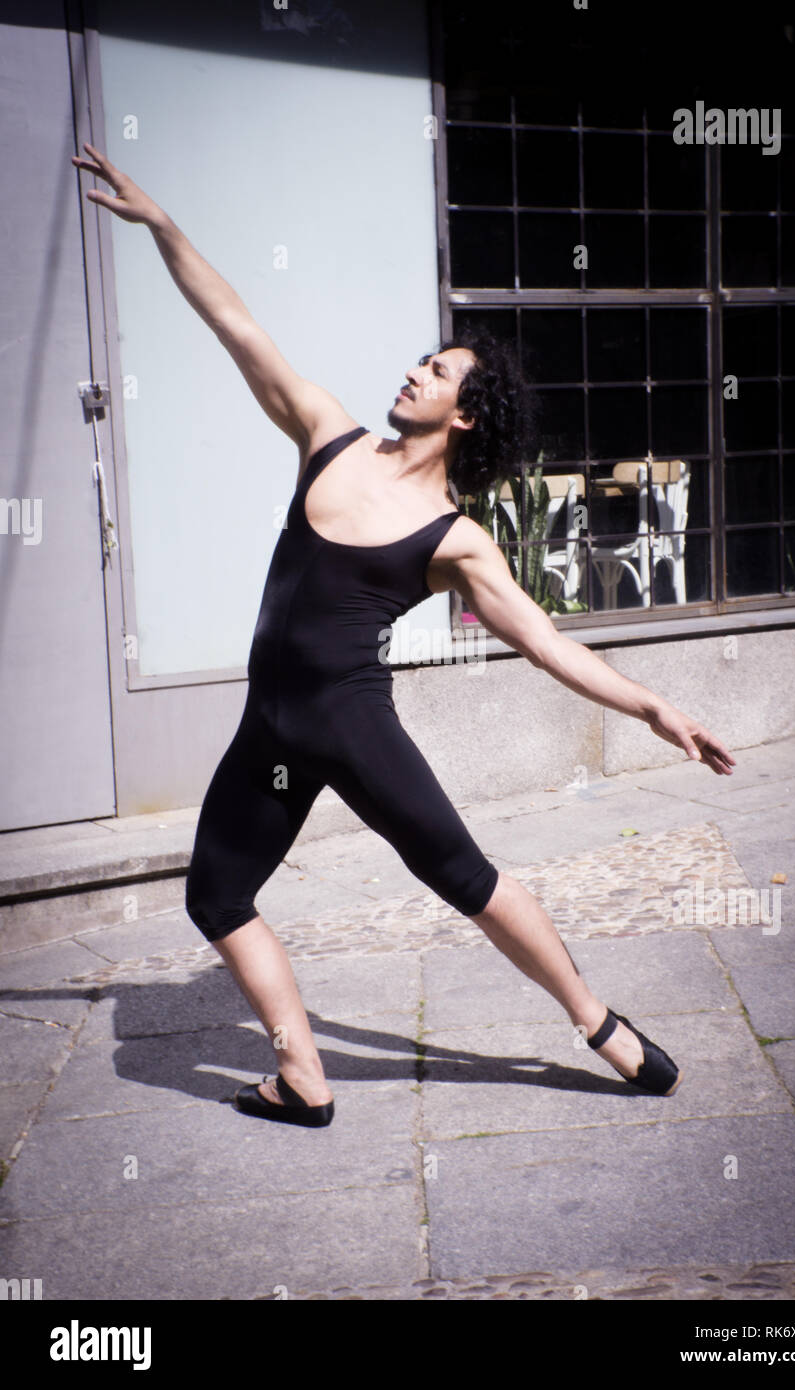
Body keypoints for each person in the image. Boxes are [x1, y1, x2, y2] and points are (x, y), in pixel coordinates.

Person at [72, 142, 736, 1127]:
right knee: (216, 894)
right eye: (422, 359)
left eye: (436, 370)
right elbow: (236, 326)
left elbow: (546, 642)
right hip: (272, 732)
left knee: (464, 877)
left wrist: (653, 706)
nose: (414, 371)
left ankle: (597, 1022)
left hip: (349, 727)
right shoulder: (326, 433)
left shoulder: (456, 540)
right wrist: (166, 227)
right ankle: (303, 1073)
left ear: (465, 416)